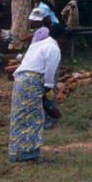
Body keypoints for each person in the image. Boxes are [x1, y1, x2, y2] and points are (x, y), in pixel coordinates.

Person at [8, 21, 63, 162]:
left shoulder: (38, 44)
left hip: (20, 79)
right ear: (61, 37)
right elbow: (50, 75)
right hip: (32, 81)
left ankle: (16, 152)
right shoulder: (54, 48)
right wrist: (48, 96)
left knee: (20, 116)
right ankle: (30, 155)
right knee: (33, 117)